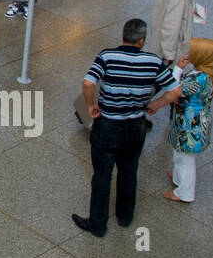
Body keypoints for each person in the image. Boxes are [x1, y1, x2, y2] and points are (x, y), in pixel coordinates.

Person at [72, 19, 179, 237]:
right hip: (135, 126)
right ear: (142, 40)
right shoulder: (153, 61)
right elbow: (176, 91)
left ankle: (98, 223)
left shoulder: (107, 56)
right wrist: (155, 105)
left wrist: (91, 105)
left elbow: (88, 83)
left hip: (108, 124)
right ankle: (125, 216)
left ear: (123, 37)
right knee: (129, 170)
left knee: (102, 175)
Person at [152, 39, 213, 204]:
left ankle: (184, 192)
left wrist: (177, 69)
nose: (189, 54)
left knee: (185, 159)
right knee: (180, 152)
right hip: (190, 121)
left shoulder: (199, 79)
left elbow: (174, 89)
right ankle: (178, 177)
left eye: (193, 51)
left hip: (190, 126)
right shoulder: (205, 74)